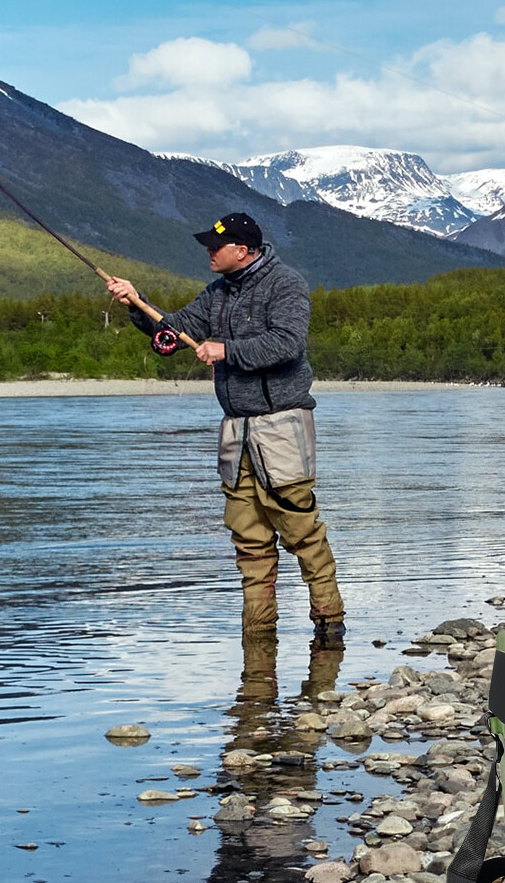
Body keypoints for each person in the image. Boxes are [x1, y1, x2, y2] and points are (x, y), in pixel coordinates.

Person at [104, 212, 346, 644]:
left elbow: (289, 343)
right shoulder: (218, 292)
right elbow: (175, 332)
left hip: (283, 425)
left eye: (216, 247)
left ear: (243, 250)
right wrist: (136, 304)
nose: (209, 253)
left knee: (302, 532)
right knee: (248, 542)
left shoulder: (285, 284)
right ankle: (258, 639)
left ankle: (330, 626)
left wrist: (226, 350)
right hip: (236, 432)